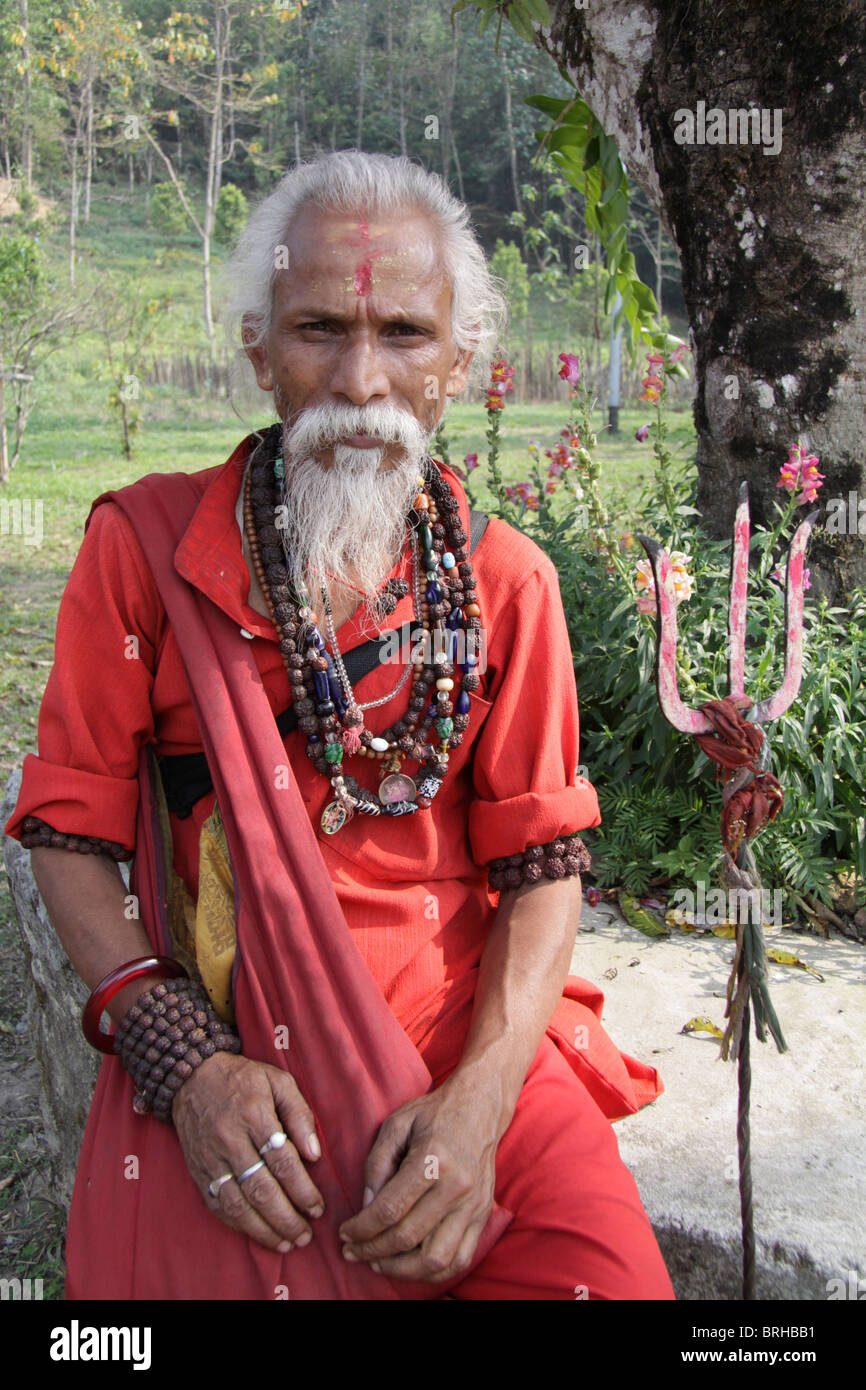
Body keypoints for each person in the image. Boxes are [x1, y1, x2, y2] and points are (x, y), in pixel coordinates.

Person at [5, 151, 674, 1301]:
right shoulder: (144, 552)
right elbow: (72, 832)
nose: (359, 380)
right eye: (318, 328)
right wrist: (180, 1054)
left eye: (405, 334)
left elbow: (542, 867)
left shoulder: (506, 584)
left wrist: (478, 1103)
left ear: (459, 362)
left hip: (461, 1042)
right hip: (234, 1057)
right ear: (260, 351)